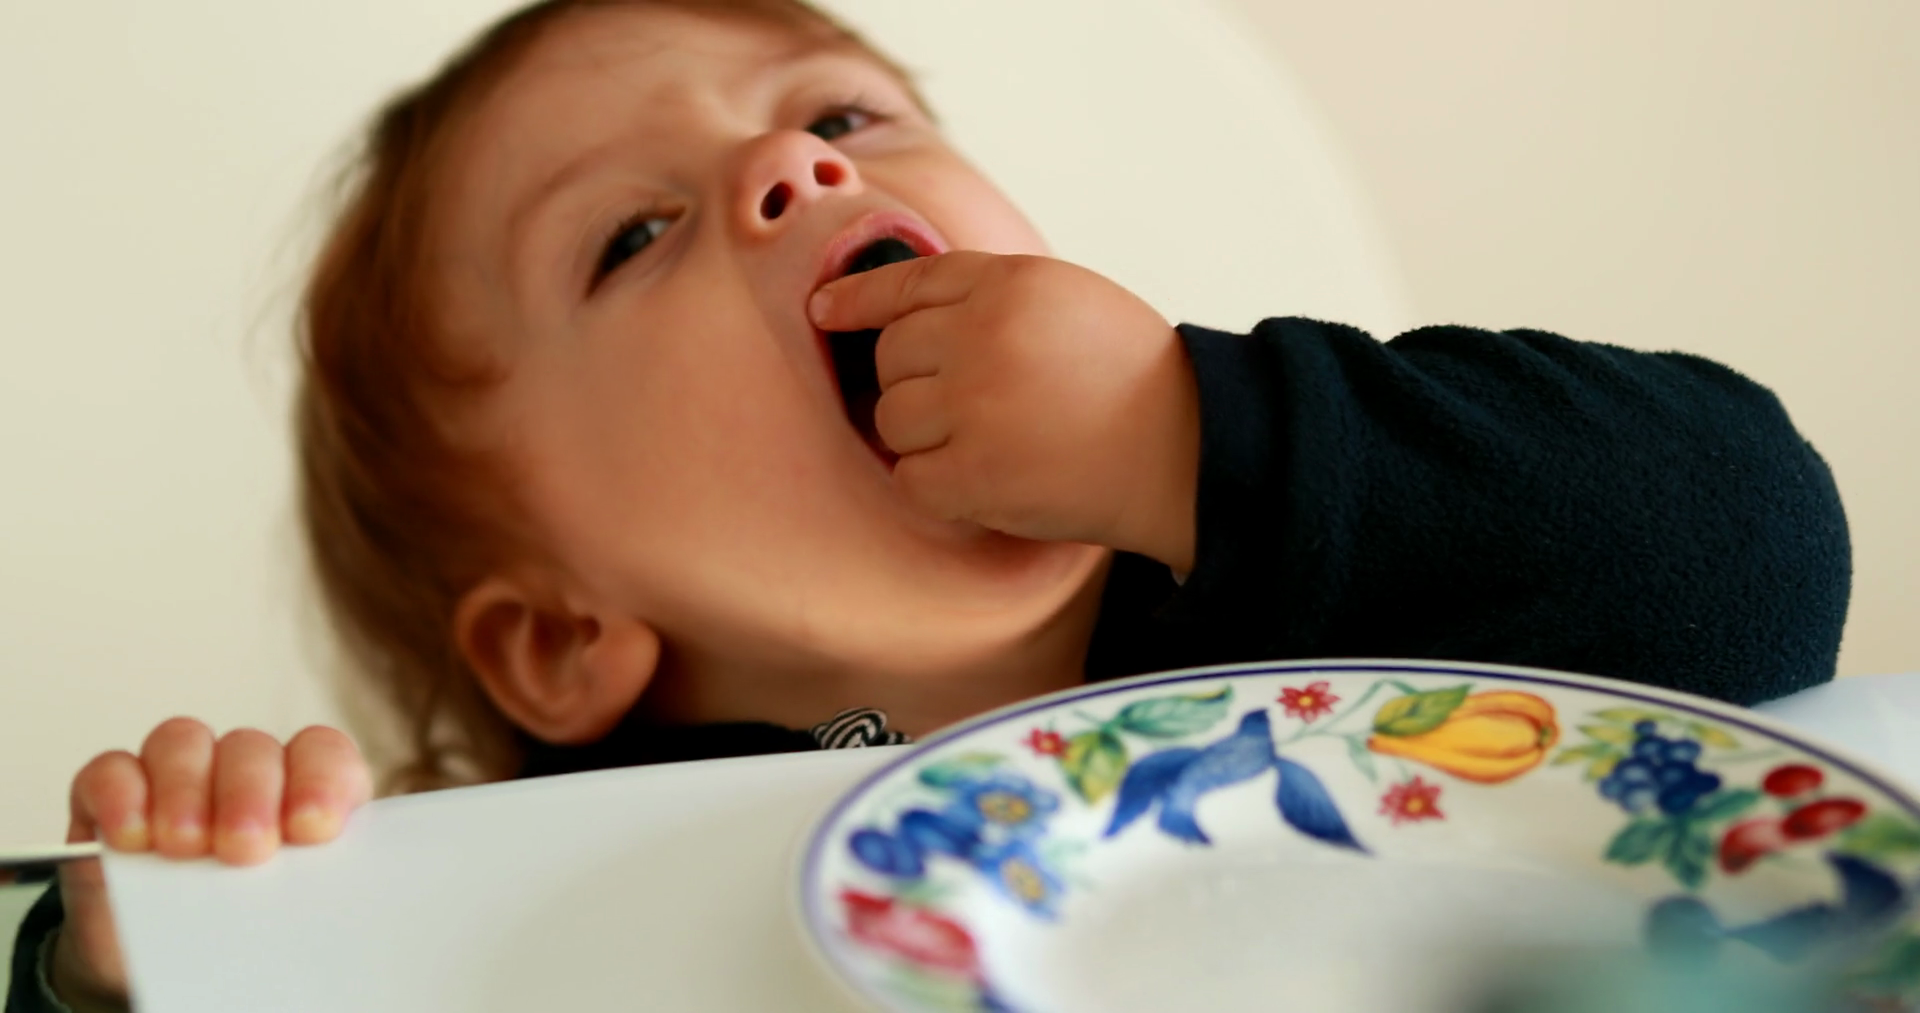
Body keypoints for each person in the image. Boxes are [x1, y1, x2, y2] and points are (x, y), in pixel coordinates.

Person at [6, 0, 1851, 1009]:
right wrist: (155, 952)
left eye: (852, 116)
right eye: (631, 235)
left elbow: (1754, 563)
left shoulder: (1342, 609)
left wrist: (1187, 438)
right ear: (565, 634)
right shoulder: (528, 885)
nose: (785, 162)